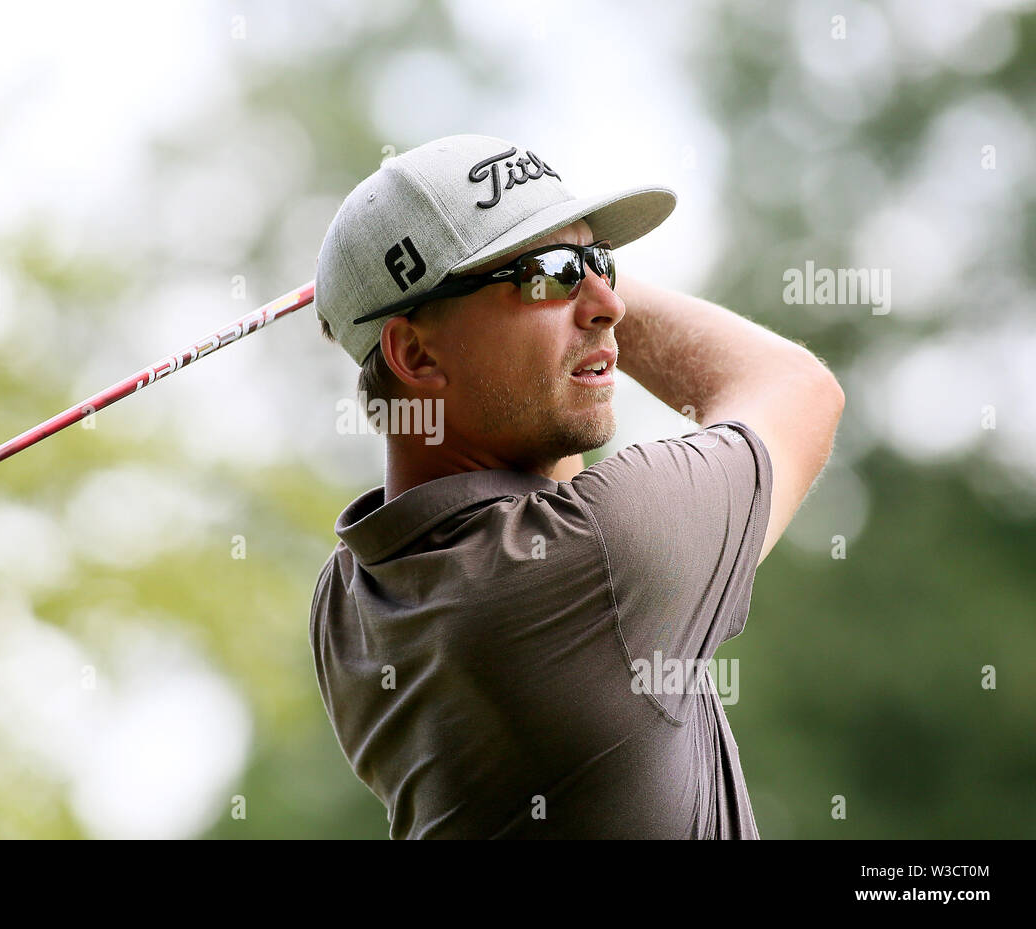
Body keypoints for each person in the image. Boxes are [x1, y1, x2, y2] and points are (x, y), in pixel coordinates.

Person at [309, 134, 844, 839]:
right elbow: (799, 389)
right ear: (414, 352)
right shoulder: (598, 552)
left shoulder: (346, 600)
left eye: (603, 264)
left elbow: (537, 460)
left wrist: (551, 268)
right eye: (549, 273)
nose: (607, 303)